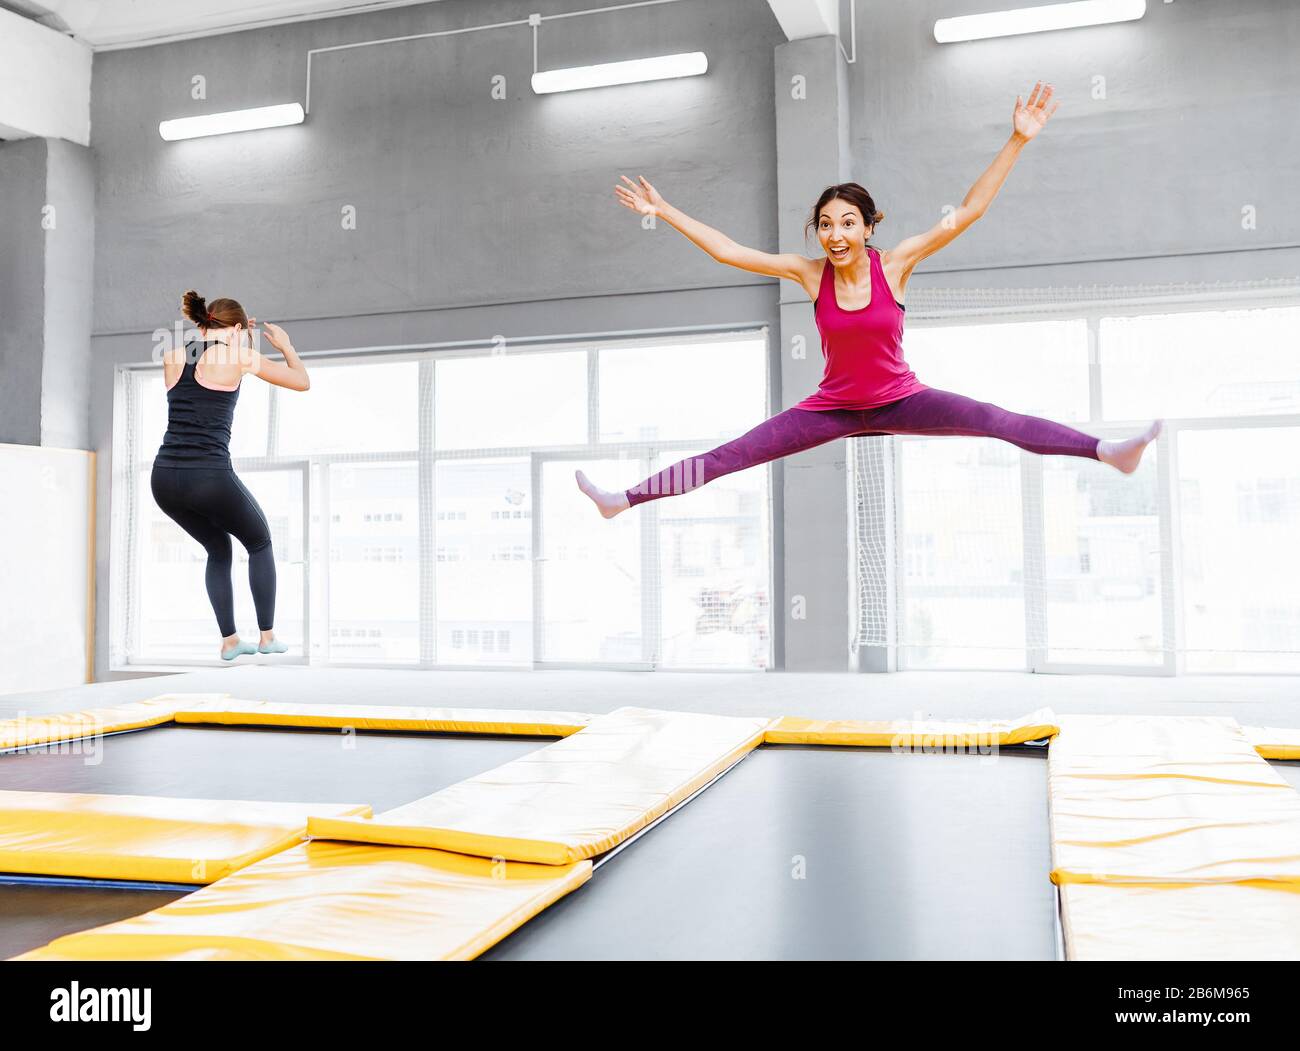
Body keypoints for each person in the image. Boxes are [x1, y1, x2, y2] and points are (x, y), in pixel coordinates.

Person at [577, 81, 1161, 518]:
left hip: (902, 400)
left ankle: (1106, 451)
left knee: (993, 419)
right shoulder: (809, 274)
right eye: (825, 224)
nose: (834, 234)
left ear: (866, 227)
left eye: (847, 223)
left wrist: (1016, 139)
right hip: (830, 408)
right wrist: (665, 210)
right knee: (733, 454)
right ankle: (622, 501)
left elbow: (970, 210)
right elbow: (728, 250)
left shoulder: (898, 262)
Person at [151, 290, 310, 660]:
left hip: (164, 479)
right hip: (207, 474)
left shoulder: (174, 355)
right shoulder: (240, 356)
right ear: (237, 329)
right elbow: (301, 381)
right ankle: (268, 636)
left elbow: (203, 355)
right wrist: (285, 346)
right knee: (259, 542)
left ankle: (230, 640)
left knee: (218, 547)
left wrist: (233, 332)